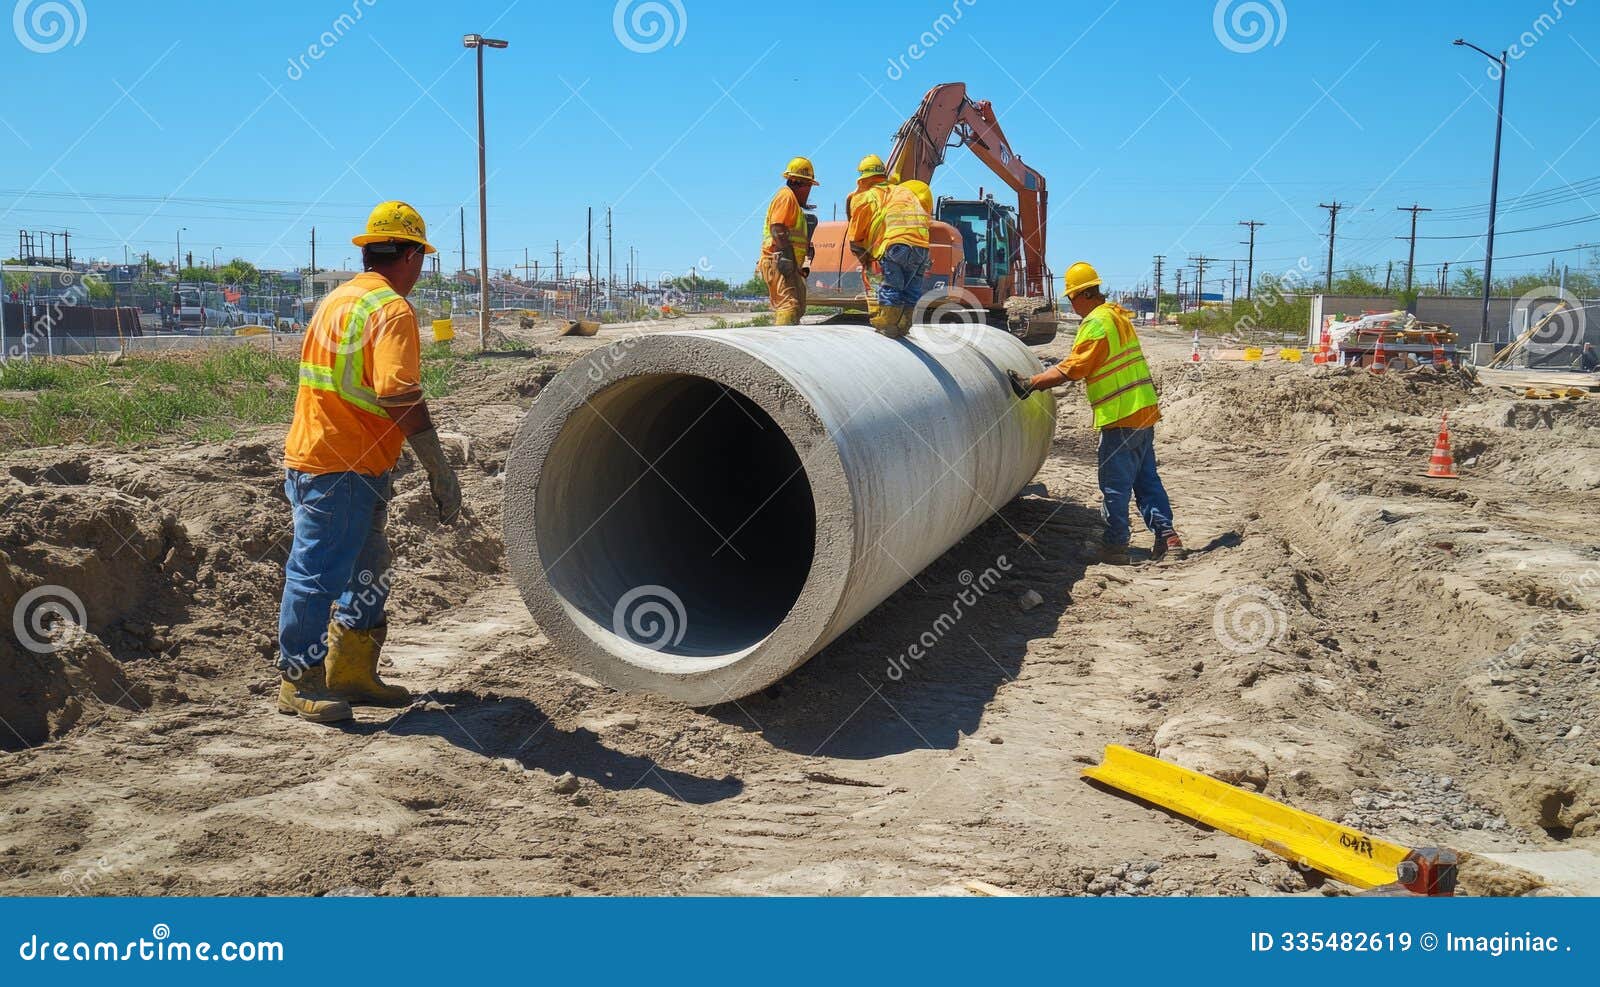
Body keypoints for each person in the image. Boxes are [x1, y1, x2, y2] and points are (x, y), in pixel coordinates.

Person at [276, 200, 463, 723]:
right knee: (317, 574)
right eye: (421, 258)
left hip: (330, 456)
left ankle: (351, 672)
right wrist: (438, 468)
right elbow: (399, 393)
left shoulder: (339, 300)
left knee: (369, 568)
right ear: (411, 256)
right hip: (341, 465)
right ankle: (301, 679)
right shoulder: (391, 309)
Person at [1008, 261, 1184, 565]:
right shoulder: (1117, 316)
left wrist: (1032, 383)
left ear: (1083, 294)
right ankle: (1167, 538)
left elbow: (1074, 368)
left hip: (1121, 416)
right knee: (1146, 480)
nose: (1072, 304)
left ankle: (1114, 545)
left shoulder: (1096, 323)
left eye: (1072, 297)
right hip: (1143, 411)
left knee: (1115, 484)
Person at [851, 178, 932, 337]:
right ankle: (904, 325)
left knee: (891, 286)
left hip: (896, 245)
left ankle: (888, 324)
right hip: (922, 249)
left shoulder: (887, 198)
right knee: (911, 290)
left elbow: (871, 224)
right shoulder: (915, 205)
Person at [757, 157, 819, 326]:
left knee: (798, 308)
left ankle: (790, 341)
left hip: (789, 262)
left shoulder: (793, 203)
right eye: (808, 186)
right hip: (778, 259)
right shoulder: (786, 197)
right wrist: (786, 255)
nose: (809, 192)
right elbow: (777, 227)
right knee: (788, 306)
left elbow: (791, 235)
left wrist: (805, 252)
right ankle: (780, 343)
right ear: (797, 183)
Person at [845, 154, 889, 321]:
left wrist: (868, 263)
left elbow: (855, 241)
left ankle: (882, 323)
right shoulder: (898, 194)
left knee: (877, 301)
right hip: (905, 253)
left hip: (877, 256)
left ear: (863, 178)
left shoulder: (865, 199)